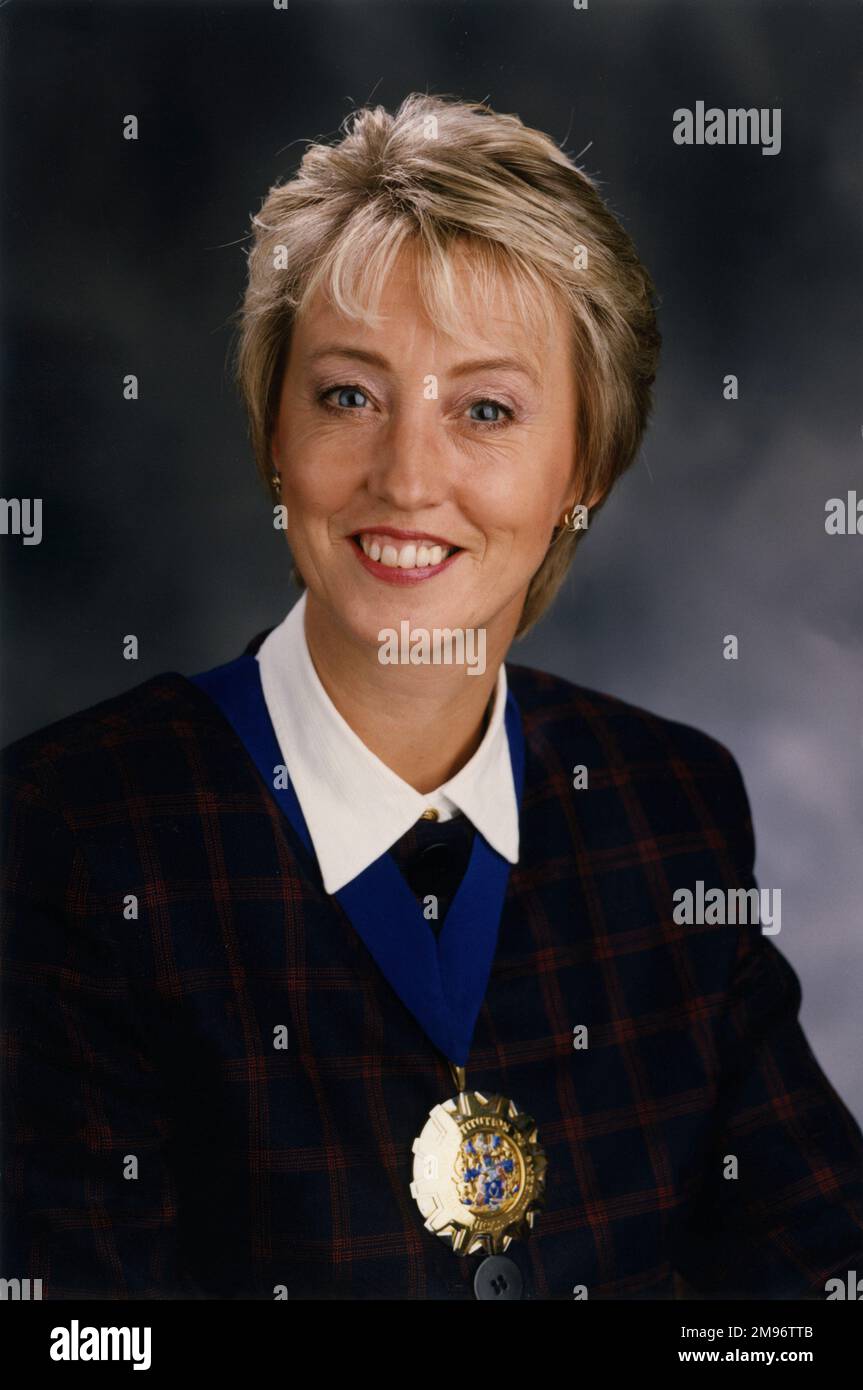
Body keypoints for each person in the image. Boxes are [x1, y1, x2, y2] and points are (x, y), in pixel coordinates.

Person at [2, 93, 861, 1302]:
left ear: (587, 465)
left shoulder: (668, 806)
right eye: (348, 395)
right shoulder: (73, 833)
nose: (406, 476)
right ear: (271, 434)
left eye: (487, 410)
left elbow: (815, 1279)